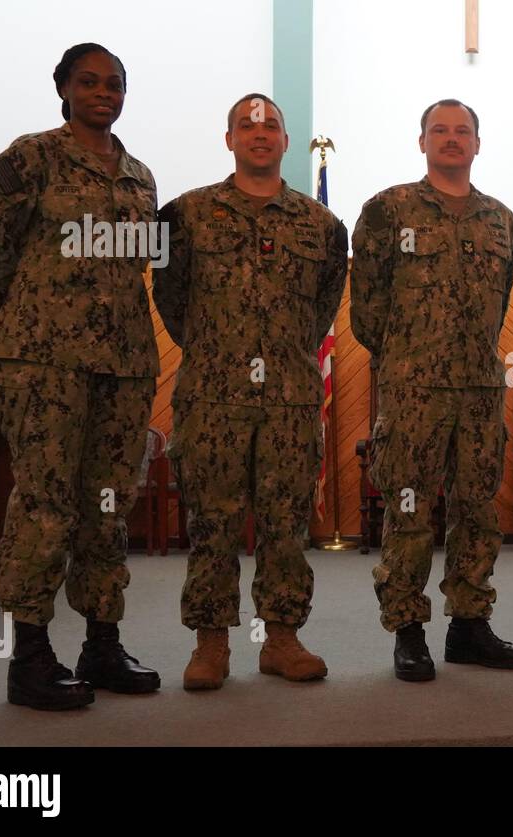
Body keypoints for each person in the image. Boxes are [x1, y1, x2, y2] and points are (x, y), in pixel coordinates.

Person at [0, 43, 161, 709]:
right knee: (45, 504)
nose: (104, 93)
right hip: (43, 362)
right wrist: (13, 331)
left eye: (115, 84)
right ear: (64, 88)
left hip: (123, 364)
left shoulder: (139, 176)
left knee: (107, 504)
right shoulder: (31, 157)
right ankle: (31, 654)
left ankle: (101, 642)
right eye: (89, 82)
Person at [152, 93, 348, 690]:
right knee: (211, 523)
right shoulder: (184, 215)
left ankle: (282, 640)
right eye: (246, 125)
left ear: (286, 141)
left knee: (285, 524)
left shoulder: (322, 225)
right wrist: (220, 351)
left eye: (271, 126)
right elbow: (171, 296)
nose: (259, 133)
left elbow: (322, 307)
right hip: (212, 396)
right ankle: (210, 645)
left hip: (289, 398)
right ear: (229, 138)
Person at [350, 99, 513, 681]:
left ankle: (469, 626)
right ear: (421, 140)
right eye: (440, 131)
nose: (452, 140)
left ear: (478, 143)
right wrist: (407, 356)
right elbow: (367, 308)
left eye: (463, 131)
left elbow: (499, 301)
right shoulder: (387, 210)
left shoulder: (502, 221)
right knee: (409, 509)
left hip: (479, 389)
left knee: (477, 511)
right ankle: (408, 629)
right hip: (412, 389)